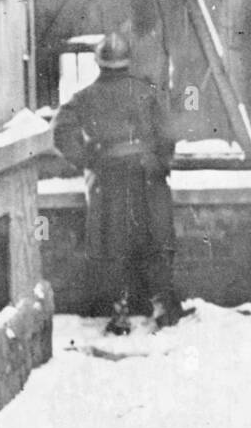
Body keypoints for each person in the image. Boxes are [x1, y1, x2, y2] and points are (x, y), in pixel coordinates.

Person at [52, 32, 185, 334]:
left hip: (109, 180)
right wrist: (160, 163)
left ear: (99, 64)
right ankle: (163, 307)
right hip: (147, 177)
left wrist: (88, 158)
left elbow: (60, 131)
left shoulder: (84, 98)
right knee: (156, 240)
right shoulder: (147, 93)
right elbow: (167, 134)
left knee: (112, 246)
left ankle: (119, 311)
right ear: (127, 63)